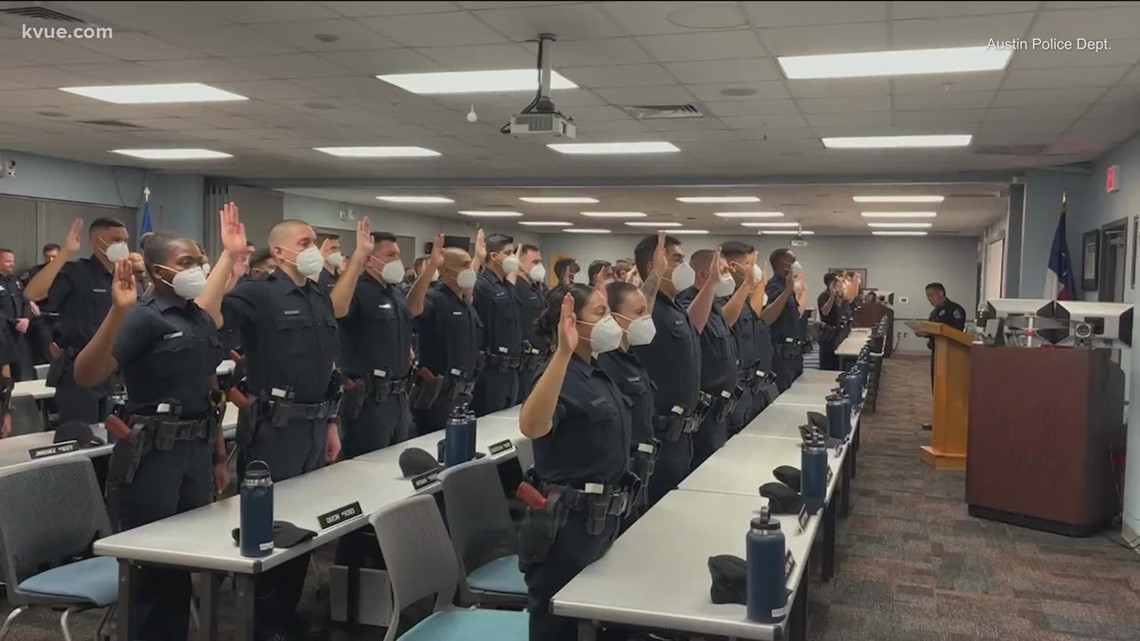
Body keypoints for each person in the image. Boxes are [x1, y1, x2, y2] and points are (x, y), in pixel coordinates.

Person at [71, 210, 243, 641]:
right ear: (158, 269)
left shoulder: (196, 316)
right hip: (152, 455)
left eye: (200, 260)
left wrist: (219, 457)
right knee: (153, 569)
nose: (198, 269)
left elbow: (208, 382)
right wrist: (117, 312)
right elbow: (87, 374)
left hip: (195, 451)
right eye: (187, 262)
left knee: (184, 561)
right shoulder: (141, 314)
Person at [222, 212, 362, 641]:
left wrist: (332, 424)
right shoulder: (257, 293)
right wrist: (229, 263)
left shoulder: (318, 295)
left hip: (316, 424)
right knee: (270, 522)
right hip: (275, 428)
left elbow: (328, 369)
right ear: (279, 251)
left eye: (314, 241)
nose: (313, 249)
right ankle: (261, 619)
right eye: (304, 242)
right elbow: (213, 318)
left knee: (303, 521)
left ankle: (285, 609)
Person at [518, 284, 633, 641]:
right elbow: (532, 425)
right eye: (599, 313)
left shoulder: (596, 372)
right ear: (571, 323)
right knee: (558, 627)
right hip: (566, 526)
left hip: (602, 519)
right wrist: (563, 354)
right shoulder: (558, 374)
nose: (610, 321)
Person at [25, 218, 130, 423]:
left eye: (125, 240)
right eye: (116, 240)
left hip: (113, 373)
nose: (123, 245)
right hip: (79, 374)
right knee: (80, 439)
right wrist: (66, 251)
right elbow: (33, 293)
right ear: (97, 241)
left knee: (112, 445)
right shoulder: (76, 272)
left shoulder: (122, 278)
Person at [332, 231, 427, 456]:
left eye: (398, 255)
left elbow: (414, 310)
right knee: (368, 466)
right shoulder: (355, 289)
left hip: (399, 395)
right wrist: (355, 261)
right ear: (369, 259)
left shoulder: (395, 292)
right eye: (390, 254)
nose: (396, 260)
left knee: (398, 463)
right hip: (369, 400)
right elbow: (336, 309)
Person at [629, 233, 704, 507]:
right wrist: (654, 279)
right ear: (653, 265)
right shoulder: (643, 307)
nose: (684, 266)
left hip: (682, 433)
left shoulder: (674, 306)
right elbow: (641, 321)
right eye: (676, 259)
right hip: (658, 434)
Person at [410, 235, 485, 434]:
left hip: (464, 393)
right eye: (464, 265)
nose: (470, 270)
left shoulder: (466, 304)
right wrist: (431, 268)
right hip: (439, 396)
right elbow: (413, 308)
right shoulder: (436, 299)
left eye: (471, 265)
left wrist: (478, 258)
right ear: (446, 271)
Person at [599, 281, 658, 526]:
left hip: (639, 471)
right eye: (638, 313)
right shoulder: (604, 362)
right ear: (614, 317)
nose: (646, 319)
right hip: (619, 477)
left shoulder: (629, 358)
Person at [677, 248, 739, 469]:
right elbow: (691, 328)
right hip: (703, 411)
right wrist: (712, 284)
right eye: (722, 270)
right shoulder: (687, 301)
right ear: (704, 274)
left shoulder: (714, 305)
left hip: (720, 410)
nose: (727, 275)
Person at [471, 233, 522, 416]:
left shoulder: (507, 287)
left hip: (512, 370)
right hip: (491, 370)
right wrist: (477, 258)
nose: (513, 258)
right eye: (508, 253)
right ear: (494, 256)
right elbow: (464, 296)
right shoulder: (481, 285)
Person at [719, 241, 764, 429]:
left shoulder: (742, 296)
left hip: (748, 382)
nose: (753, 269)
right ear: (733, 267)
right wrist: (748, 284)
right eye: (749, 264)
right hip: (731, 385)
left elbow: (755, 314)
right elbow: (724, 321)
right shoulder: (719, 295)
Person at [763, 248, 800, 392]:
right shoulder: (774, 287)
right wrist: (787, 292)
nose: (796, 264)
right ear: (783, 264)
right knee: (781, 393)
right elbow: (766, 317)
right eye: (793, 261)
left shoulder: (786, 287)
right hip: (779, 353)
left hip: (790, 352)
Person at [516, 243, 549, 399]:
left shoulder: (536, 288)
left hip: (540, 356)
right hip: (526, 359)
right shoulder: (516, 288)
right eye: (534, 262)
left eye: (540, 261)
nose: (539, 266)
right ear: (519, 264)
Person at [18, 243, 58, 366]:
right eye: (47, 257)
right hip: (42, 318)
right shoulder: (35, 272)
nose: (50, 260)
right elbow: (18, 289)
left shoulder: (69, 272)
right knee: (45, 352)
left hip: (63, 318)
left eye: (53, 257)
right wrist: (30, 302)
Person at [0, 249, 34, 381]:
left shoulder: (14, 281)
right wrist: (14, 322)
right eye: (8, 261)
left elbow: (25, 302)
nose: (12, 264)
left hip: (19, 333)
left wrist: (26, 319)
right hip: (3, 332)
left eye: (12, 261)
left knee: (18, 370)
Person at [924, 282, 966, 387]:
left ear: (940, 293)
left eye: (930, 295)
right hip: (937, 351)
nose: (928, 299)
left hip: (950, 353)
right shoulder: (934, 312)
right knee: (936, 383)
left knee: (947, 384)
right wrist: (924, 332)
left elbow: (957, 331)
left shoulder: (954, 309)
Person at [817, 272, 844, 371]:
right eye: (837, 282)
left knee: (835, 361)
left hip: (835, 333)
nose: (840, 284)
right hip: (827, 334)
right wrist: (832, 294)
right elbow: (825, 311)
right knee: (827, 361)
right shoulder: (824, 296)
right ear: (832, 283)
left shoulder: (836, 297)